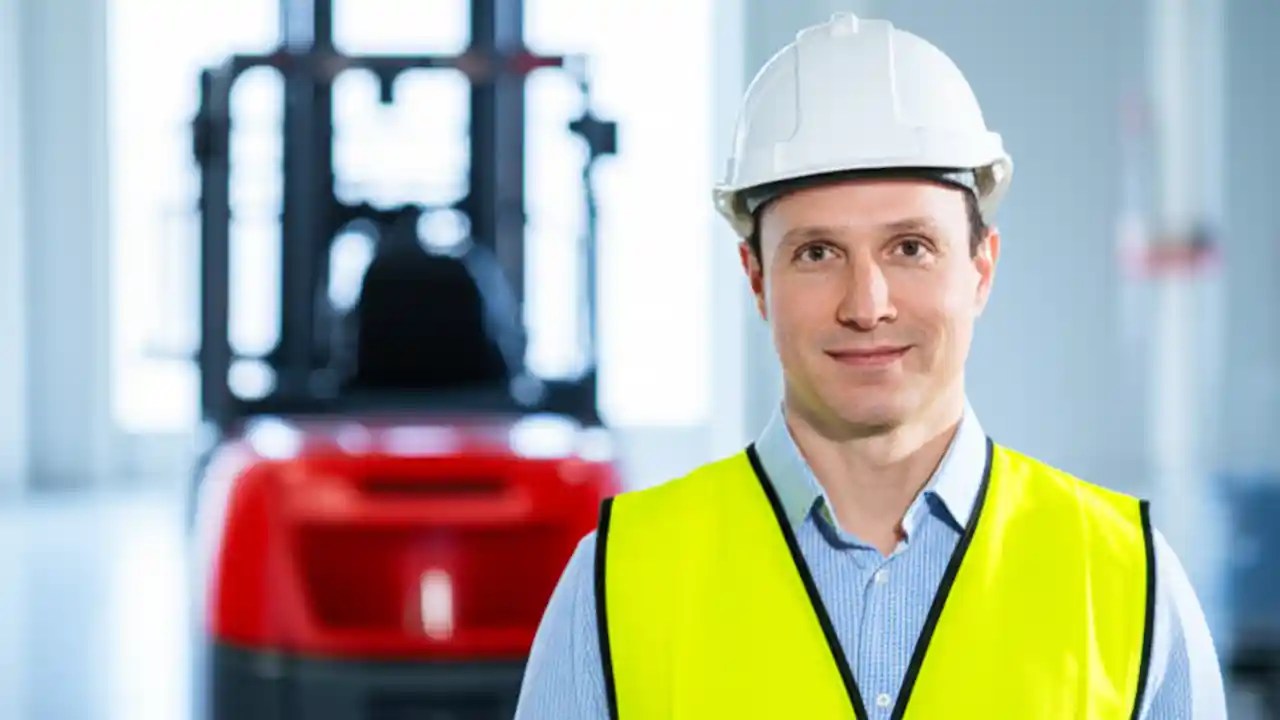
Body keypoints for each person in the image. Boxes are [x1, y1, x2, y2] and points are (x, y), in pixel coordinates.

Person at [514, 12, 1227, 719]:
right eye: (817, 253)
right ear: (756, 278)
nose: (867, 303)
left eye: (910, 247)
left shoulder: (1129, 583)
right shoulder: (615, 586)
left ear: (982, 268)